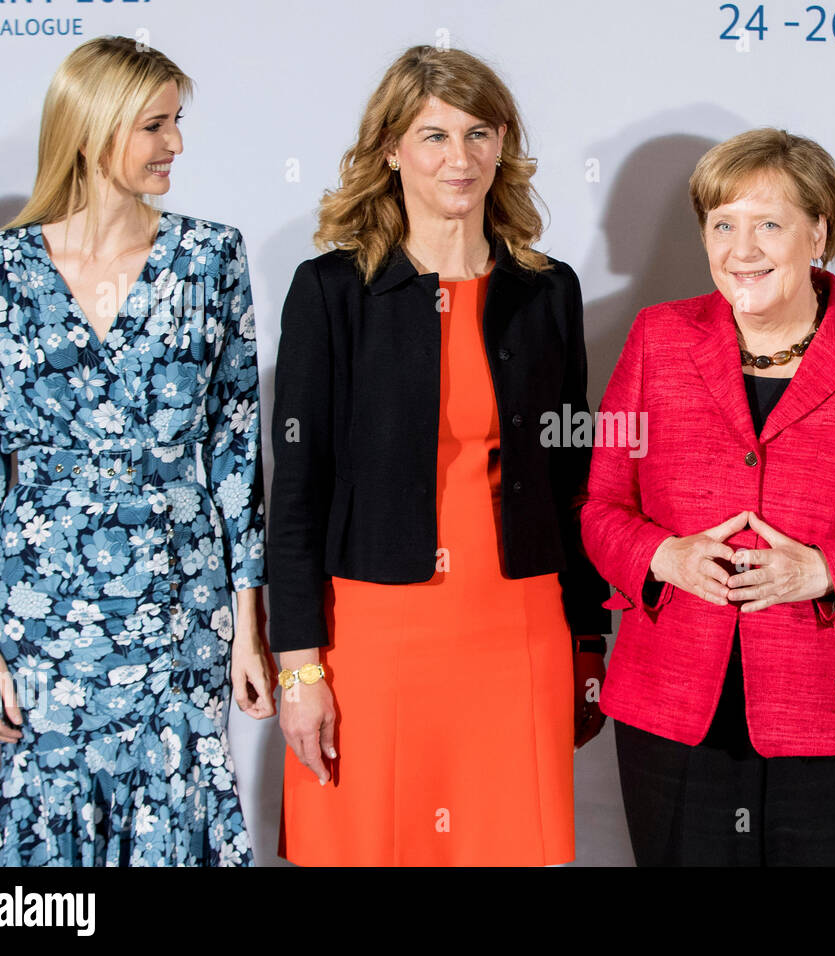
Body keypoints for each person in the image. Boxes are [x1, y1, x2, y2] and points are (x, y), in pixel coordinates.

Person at [580, 128, 835, 866]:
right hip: (674, 707)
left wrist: (825, 571)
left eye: (768, 224)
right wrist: (663, 555)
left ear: (818, 231)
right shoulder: (658, 339)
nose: (742, 248)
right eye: (722, 224)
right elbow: (600, 507)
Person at [268, 45, 610, 867]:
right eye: (433, 136)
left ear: (503, 146)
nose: (460, 159)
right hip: (374, 635)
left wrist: (588, 639)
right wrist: (300, 672)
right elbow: (297, 496)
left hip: (520, 626)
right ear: (390, 150)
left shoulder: (546, 289)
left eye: (479, 133)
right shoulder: (331, 292)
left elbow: (573, 480)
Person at [0, 36, 273, 867]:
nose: (176, 145)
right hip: (44, 604)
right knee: (53, 805)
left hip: (180, 593)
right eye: (153, 125)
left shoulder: (210, 257)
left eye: (176, 122)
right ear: (91, 131)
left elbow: (236, 447)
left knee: (181, 795)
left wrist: (246, 623)